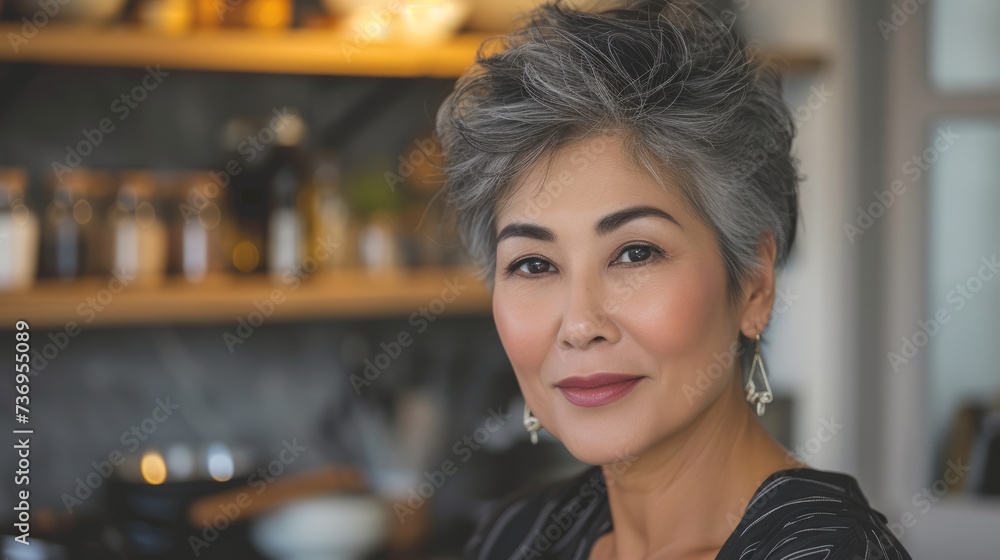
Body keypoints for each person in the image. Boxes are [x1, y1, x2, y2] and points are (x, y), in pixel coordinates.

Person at [434, 0, 912, 558]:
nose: (580, 324)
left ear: (754, 284)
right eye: (534, 264)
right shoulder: (514, 536)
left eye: (635, 253)